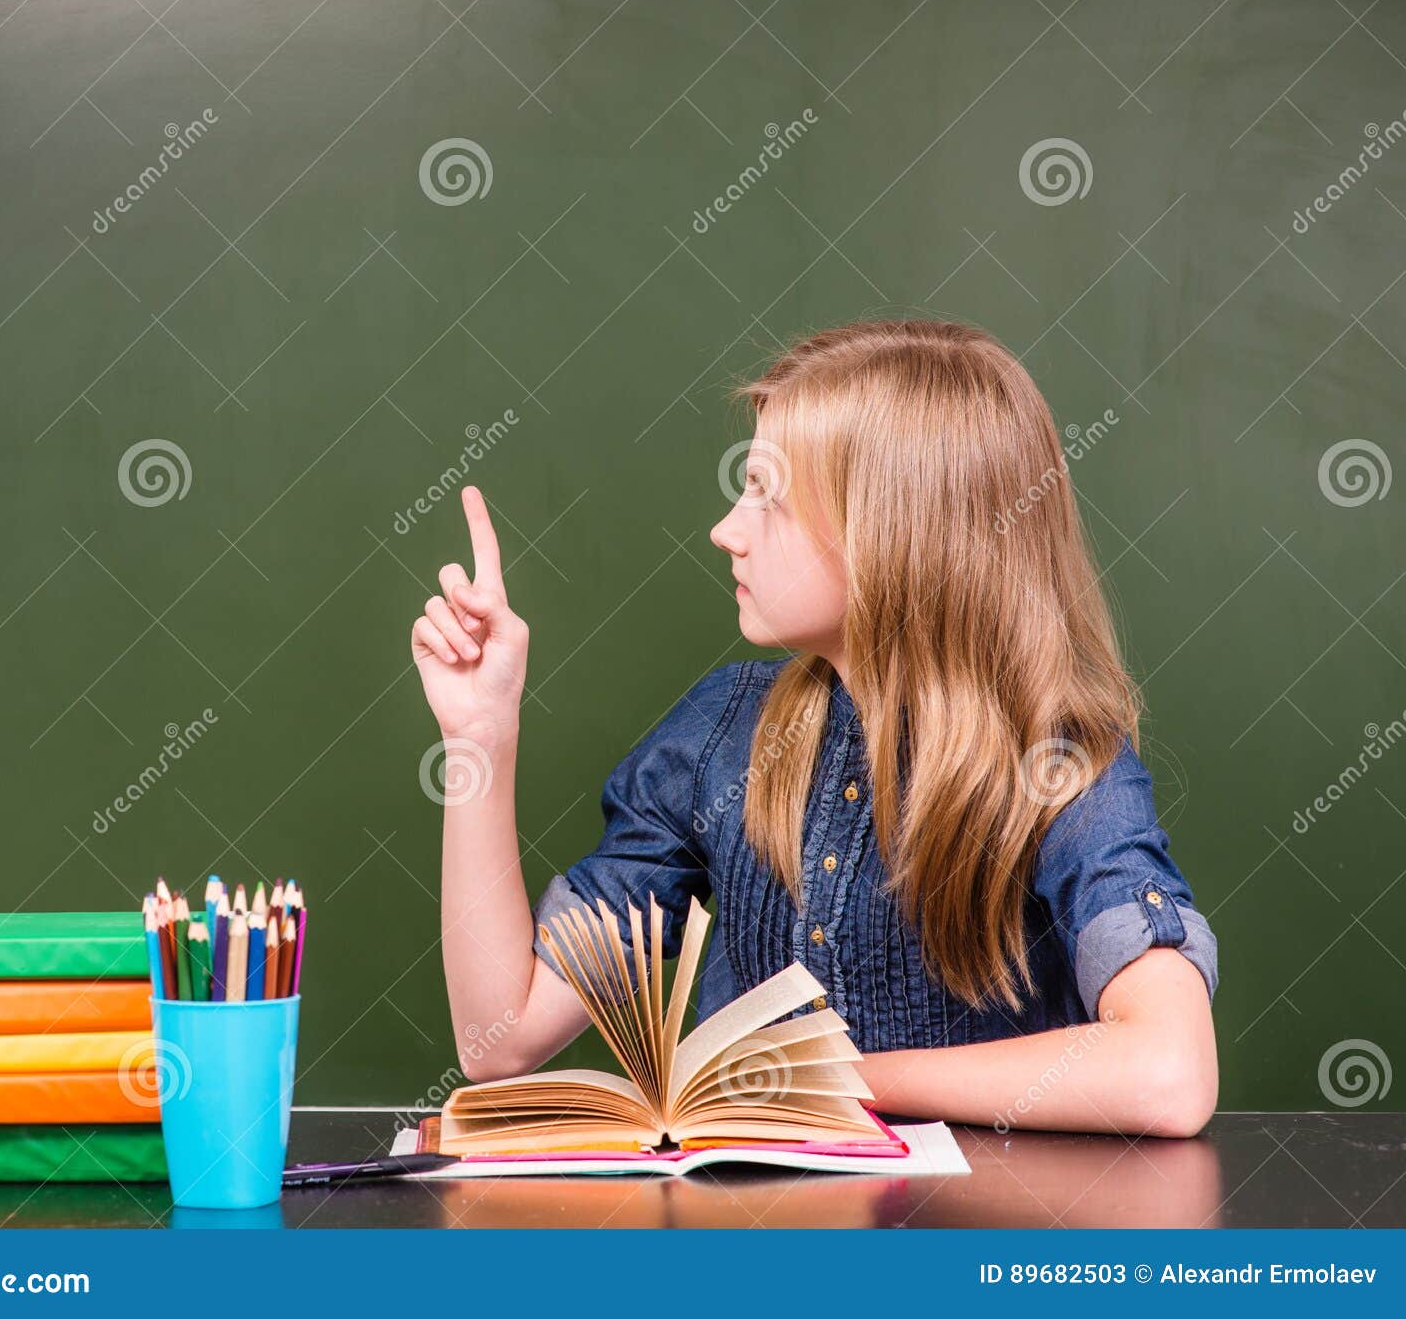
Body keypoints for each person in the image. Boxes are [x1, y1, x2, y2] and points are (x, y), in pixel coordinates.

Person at [410, 319, 1219, 1137]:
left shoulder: (1059, 765)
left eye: (767, 493)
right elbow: (499, 1038)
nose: (728, 529)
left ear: (890, 533)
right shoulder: (721, 737)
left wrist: (842, 1080)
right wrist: (479, 734)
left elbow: (1170, 1071)